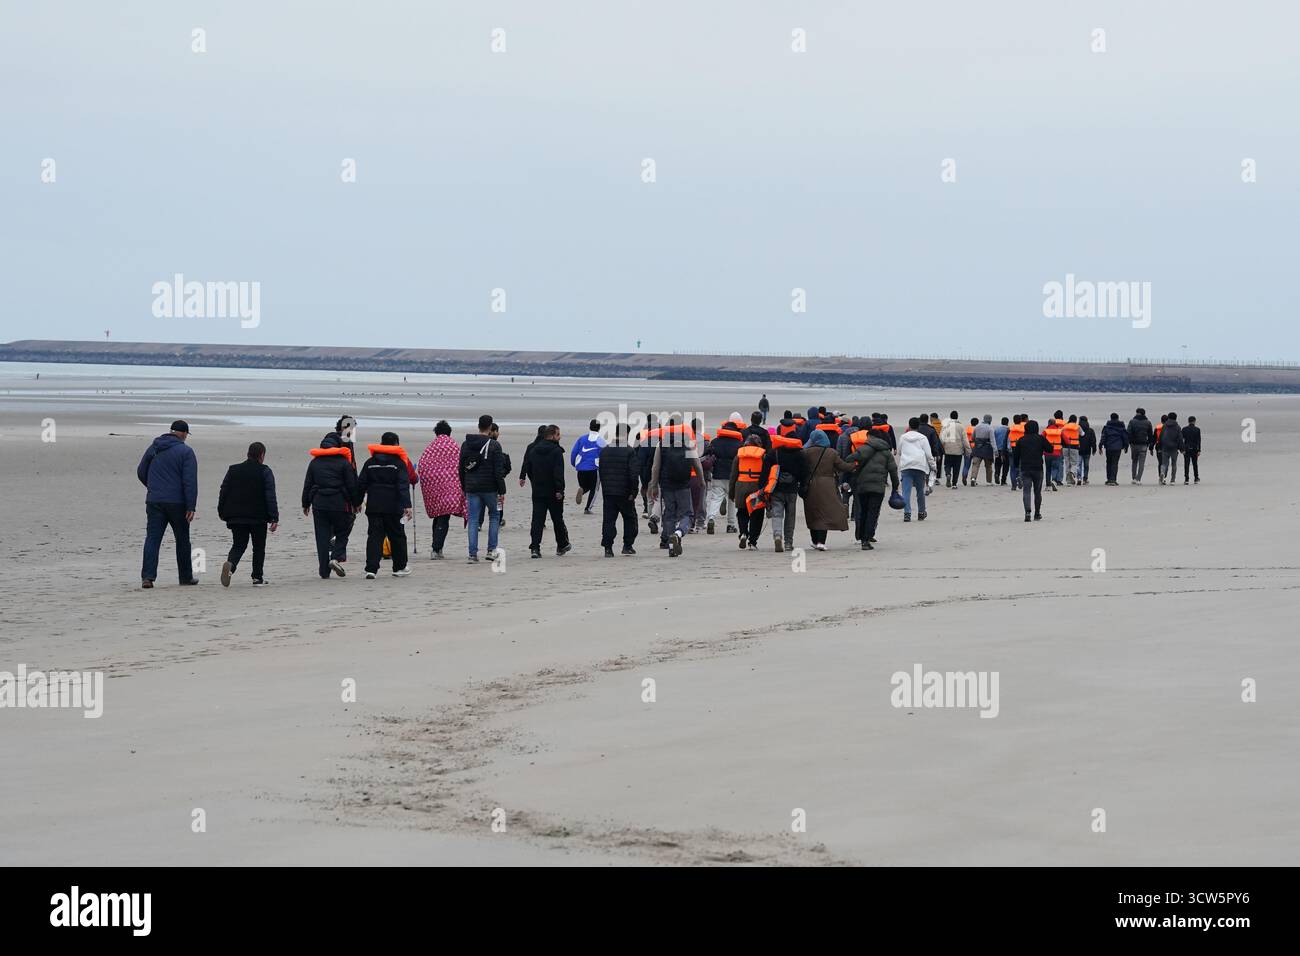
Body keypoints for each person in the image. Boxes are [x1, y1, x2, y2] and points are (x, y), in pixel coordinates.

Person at [137, 419, 200, 588]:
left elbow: (141, 471)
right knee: (182, 540)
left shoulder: (154, 447)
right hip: (177, 503)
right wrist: (191, 506)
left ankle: (148, 577)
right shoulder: (186, 452)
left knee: (153, 539)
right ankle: (186, 577)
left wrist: (153, 487)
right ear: (184, 434)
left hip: (154, 500)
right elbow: (190, 481)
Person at [217, 441, 278, 587]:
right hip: (258, 517)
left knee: (239, 544)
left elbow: (223, 491)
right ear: (262, 455)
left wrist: (221, 511)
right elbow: (270, 495)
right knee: (258, 547)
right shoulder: (265, 471)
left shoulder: (233, 470)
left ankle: (231, 565)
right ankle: (257, 578)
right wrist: (274, 517)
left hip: (236, 516)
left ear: (248, 454)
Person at [303, 432, 361, 579]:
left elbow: (308, 484)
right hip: (339, 504)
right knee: (342, 532)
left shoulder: (314, 463)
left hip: (319, 505)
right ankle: (335, 558)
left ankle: (324, 571)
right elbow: (351, 486)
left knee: (322, 537)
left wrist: (305, 503)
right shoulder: (343, 463)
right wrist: (356, 503)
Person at [359, 432, 414, 578]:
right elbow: (403, 485)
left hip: (374, 505)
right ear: (396, 444)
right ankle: (399, 567)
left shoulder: (370, 463)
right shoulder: (398, 463)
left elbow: (361, 484)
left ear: (381, 443)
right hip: (393, 505)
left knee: (374, 536)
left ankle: (371, 569)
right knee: (397, 536)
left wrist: (357, 502)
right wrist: (407, 505)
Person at [459, 414, 506, 563]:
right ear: (491, 427)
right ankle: (491, 550)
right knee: (494, 516)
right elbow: (498, 471)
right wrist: (502, 490)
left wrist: (464, 485)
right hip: (490, 487)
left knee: (473, 519)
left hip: (472, 486)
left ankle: (472, 554)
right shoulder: (494, 445)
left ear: (478, 426)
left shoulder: (466, 444)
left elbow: (461, 467)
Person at [416, 420, 466, 559]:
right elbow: (460, 465)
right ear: (449, 432)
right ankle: (436, 549)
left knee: (439, 516)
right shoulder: (453, 446)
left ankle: (436, 547)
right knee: (444, 517)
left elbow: (423, 465)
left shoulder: (430, 448)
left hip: (434, 489)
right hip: (449, 489)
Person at [648, 416, 697, 557]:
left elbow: (655, 467)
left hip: (667, 485)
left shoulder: (661, 444)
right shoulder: (687, 443)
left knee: (669, 515)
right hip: (684, 485)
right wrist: (701, 481)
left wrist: (654, 485)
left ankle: (670, 546)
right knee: (687, 514)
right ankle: (679, 533)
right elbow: (696, 464)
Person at [845, 423, 899, 550]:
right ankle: (866, 539)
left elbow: (848, 459)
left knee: (863, 512)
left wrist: (855, 469)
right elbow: (893, 470)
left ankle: (862, 537)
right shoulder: (886, 452)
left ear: (869, 437)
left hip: (862, 486)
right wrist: (895, 486)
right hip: (878, 488)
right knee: (873, 513)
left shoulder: (863, 449)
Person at [801, 429, 855, 550]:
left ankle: (814, 541)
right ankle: (821, 541)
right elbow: (843, 466)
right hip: (828, 485)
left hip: (810, 485)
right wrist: (855, 465)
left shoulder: (806, 452)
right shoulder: (832, 453)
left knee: (812, 512)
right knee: (824, 513)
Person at [523, 424, 572, 558]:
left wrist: (535, 482)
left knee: (537, 519)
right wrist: (560, 490)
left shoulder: (533, 450)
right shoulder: (556, 451)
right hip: (553, 490)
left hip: (538, 490)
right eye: (558, 434)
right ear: (551, 435)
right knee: (557, 519)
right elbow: (558, 473)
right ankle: (561, 545)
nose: (559, 436)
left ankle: (535, 547)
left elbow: (529, 469)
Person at [728, 435, 779, 549]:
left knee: (742, 512)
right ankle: (752, 541)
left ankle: (743, 533)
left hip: (741, 486)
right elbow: (766, 475)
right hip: (757, 487)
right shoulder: (763, 456)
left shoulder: (739, 456)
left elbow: (733, 476)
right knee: (757, 515)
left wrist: (731, 493)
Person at [598, 422, 640, 555]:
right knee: (630, 518)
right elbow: (633, 474)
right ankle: (627, 545)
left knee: (609, 520)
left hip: (609, 491)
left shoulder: (604, 450)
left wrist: (605, 487)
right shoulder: (629, 451)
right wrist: (634, 491)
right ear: (626, 434)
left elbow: (601, 471)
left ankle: (608, 548)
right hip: (625, 492)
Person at [769, 420, 807, 553]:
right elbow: (804, 473)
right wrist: (803, 487)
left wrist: (763, 488)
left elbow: (765, 471)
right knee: (790, 517)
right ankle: (789, 543)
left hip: (777, 488)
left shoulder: (775, 453)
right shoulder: (800, 454)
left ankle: (777, 535)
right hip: (792, 489)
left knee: (777, 514)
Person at [706, 417, 745, 535]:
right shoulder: (739, 444)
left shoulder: (715, 442)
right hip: (733, 477)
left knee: (715, 498)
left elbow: (709, 456)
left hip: (717, 475)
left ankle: (711, 518)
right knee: (732, 501)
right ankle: (731, 525)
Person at [1013, 420, 1052, 522]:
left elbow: (1016, 456)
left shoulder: (1021, 440)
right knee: (1037, 492)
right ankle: (1037, 513)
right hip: (1038, 468)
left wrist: (1017, 466)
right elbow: (1050, 449)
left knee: (1026, 491)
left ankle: (1027, 512)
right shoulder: (1040, 439)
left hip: (1025, 468)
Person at [898, 418, 935, 521]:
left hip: (906, 465)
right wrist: (933, 466)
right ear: (918, 426)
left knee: (906, 491)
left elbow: (900, 451)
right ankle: (921, 512)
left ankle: (907, 513)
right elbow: (928, 454)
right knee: (920, 491)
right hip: (920, 466)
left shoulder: (903, 437)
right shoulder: (922, 438)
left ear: (909, 426)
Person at [571, 418, 605, 514]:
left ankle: (582, 490)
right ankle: (588, 508)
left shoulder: (581, 439)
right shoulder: (601, 441)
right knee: (594, 489)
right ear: (599, 428)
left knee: (585, 486)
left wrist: (574, 464)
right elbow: (605, 455)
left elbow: (574, 452)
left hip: (581, 468)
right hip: (594, 468)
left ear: (589, 427)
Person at [481, 422, 510, 529]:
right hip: (494, 481)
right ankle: (497, 520)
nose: (498, 434)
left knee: (482, 503)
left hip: (481, 479)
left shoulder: (480, 445)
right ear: (492, 432)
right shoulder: (495, 445)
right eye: (497, 431)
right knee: (497, 504)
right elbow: (500, 467)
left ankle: (480, 523)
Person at [940, 411, 968, 488]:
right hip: (958, 450)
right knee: (957, 467)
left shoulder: (946, 426)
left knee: (947, 465)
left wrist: (942, 447)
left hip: (948, 450)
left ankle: (948, 474)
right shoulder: (961, 426)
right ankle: (954, 484)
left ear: (950, 417)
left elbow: (941, 438)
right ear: (957, 417)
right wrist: (968, 450)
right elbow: (965, 440)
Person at [1099, 413, 1128, 485]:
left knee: (1108, 462)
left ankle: (1109, 479)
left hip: (1109, 447)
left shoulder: (1106, 427)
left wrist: (1100, 446)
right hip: (1117, 448)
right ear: (1118, 418)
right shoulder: (1121, 427)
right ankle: (1113, 479)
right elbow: (1125, 438)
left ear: (1111, 418)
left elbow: (1103, 437)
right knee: (1115, 463)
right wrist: (1126, 446)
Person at [1127, 407, 1154, 483]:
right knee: (1141, 462)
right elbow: (1150, 435)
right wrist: (1150, 444)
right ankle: (1138, 479)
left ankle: (1134, 478)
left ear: (1137, 413)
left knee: (1134, 461)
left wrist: (1129, 442)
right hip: (1143, 444)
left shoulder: (1132, 422)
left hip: (1134, 444)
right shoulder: (1148, 422)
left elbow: (1128, 433)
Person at [1158, 412, 1183, 485]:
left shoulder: (1164, 426)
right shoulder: (1177, 427)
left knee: (1164, 463)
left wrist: (1159, 447)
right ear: (1176, 418)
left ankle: (1162, 473)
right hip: (1174, 448)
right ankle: (1172, 480)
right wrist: (1182, 449)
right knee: (1174, 464)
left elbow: (1161, 437)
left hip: (1165, 447)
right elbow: (1180, 438)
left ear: (1168, 418)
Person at [970, 414, 995, 486]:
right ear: (990, 420)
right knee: (988, 466)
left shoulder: (977, 427)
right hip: (987, 449)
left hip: (977, 448)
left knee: (975, 465)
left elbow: (972, 437)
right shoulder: (990, 428)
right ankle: (989, 481)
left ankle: (973, 479)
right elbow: (993, 441)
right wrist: (995, 451)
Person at [1043, 414, 1065, 490]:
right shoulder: (1060, 431)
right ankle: (1054, 480)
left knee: (1048, 469)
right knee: (1055, 468)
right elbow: (1067, 441)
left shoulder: (1045, 431)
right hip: (1057, 452)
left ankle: (1048, 486)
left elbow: (1041, 440)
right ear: (1055, 423)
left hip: (1047, 453)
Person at [1007, 414, 1026, 490]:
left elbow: (1007, 440)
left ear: (1013, 420)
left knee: (1012, 468)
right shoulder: (1024, 428)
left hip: (1012, 449)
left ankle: (1013, 485)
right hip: (1021, 449)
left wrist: (1007, 449)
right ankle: (1020, 478)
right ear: (1021, 420)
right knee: (1021, 467)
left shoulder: (1010, 429)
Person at [1061, 414, 1082, 485]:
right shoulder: (1077, 426)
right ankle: (1072, 472)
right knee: (1074, 462)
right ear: (1076, 420)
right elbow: (1083, 434)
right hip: (1074, 446)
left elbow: (1061, 433)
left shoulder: (1064, 426)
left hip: (1065, 446)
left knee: (1067, 463)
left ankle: (1068, 481)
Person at [1076, 415, 1097, 485]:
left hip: (1078, 450)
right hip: (1087, 450)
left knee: (1078, 465)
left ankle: (1079, 478)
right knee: (1086, 465)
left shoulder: (1077, 430)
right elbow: (1093, 441)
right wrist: (1094, 449)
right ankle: (1085, 479)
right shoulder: (1090, 430)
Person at [1182, 416, 1202, 483]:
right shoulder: (1197, 429)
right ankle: (1196, 478)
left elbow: (1182, 440)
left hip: (1186, 448)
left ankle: (1186, 479)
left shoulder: (1184, 429)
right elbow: (1199, 441)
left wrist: (1182, 449)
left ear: (1188, 421)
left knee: (1186, 464)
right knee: (1195, 464)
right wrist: (1199, 450)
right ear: (1194, 421)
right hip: (1194, 448)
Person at [993, 417, 1011, 485]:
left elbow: (993, 439)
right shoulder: (1009, 429)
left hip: (998, 449)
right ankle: (1003, 480)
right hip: (1006, 450)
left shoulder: (997, 429)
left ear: (1001, 422)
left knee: (998, 464)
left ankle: (997, 474)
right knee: (1006, 466)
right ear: (1007, 422)